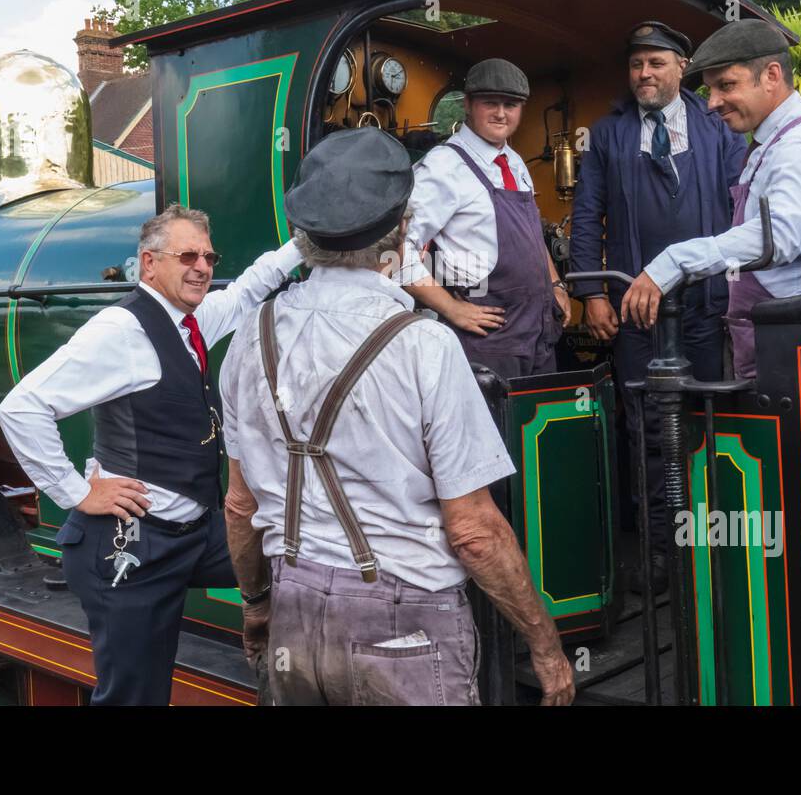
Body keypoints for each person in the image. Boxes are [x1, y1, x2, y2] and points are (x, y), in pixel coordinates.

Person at [220, 127, 574, 706]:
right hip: (405, 624)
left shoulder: (249, 338)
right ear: (400, 233)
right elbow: (475, 532)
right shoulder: (423, 346)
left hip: (293, 610)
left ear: (305, 236)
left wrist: (256, 604)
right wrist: (545, 644)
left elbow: (240, 504)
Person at [0, 204, 301, 705]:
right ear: (149, 264)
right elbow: (22, 408)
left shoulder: (192, 319)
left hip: (197, 534)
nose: (202, 266)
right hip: (133, 547)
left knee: (295, 554)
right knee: (136, 697)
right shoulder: (121, 330)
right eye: (187, 255)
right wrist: (75, 492)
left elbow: (248, 288)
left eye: (207, 255)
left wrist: (305, 244)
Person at [569, 22, 747, 591]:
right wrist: (592, 293)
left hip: (705, 305)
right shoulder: (606, 133)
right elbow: (585, 216)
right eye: (636, 64)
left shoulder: (718, 126)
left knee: (706, 422)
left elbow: (743, 209)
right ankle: (657, 552)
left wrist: (738, 290)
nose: (645, 74)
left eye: (656, 63)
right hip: (633, 311)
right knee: (646, 430)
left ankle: (710, 555)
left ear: (681, 66)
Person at [622, 19, 801, 379]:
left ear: (772, 75)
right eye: (710, 90)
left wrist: (674, 261)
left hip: (792, 339)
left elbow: (776, 238)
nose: (713, 103)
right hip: (771, 332)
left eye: (726, 86)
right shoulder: (772, 141)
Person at [399, 58, 569, 380]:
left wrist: (555, 283)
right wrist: (451, 308)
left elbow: (531, 232)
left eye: (511, 104)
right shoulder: (443, 167)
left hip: (538, 336)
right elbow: (395, 251)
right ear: (468, 104)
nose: (501, 113)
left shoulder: (514, 161)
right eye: (490, 103)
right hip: (487, 346)